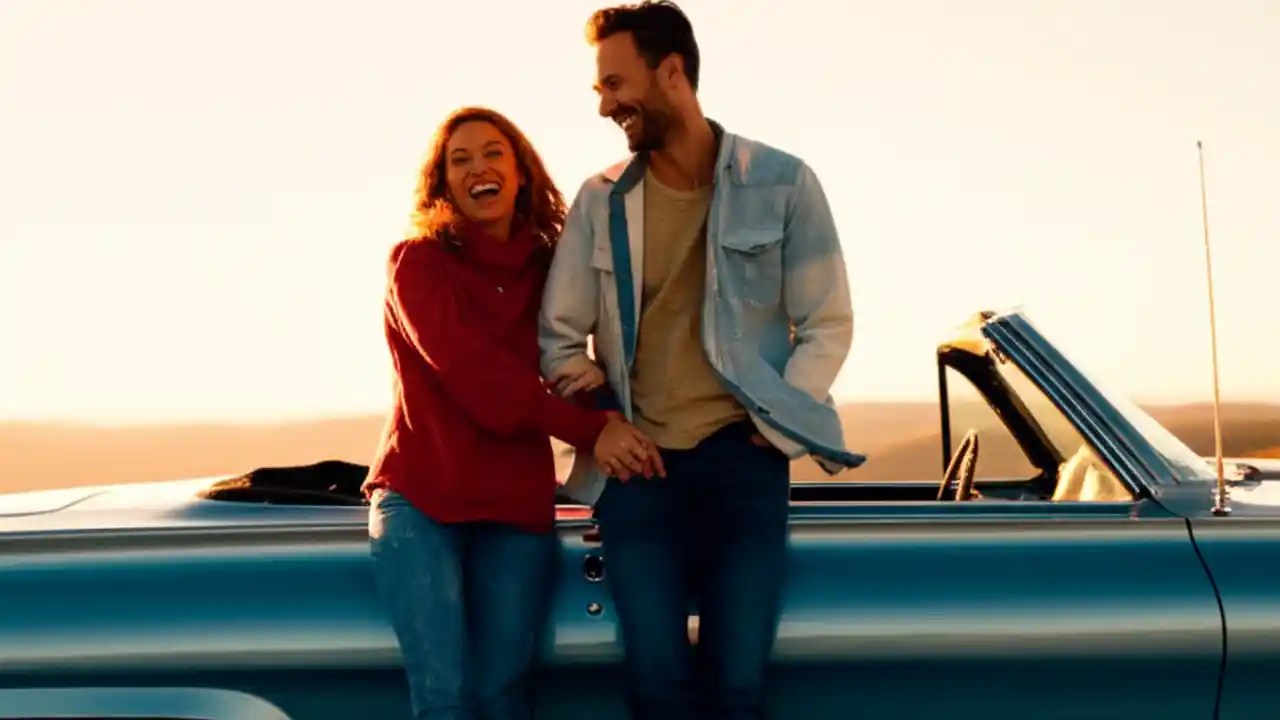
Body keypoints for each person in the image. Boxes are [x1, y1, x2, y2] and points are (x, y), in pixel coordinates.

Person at [538, 3, 865, 719]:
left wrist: (775, 422)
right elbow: (558, 340)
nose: (604, 105)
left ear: (673, 73)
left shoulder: (784, 183)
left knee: (739, 686)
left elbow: (827, 321)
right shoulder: (600, 201)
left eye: (615, 83)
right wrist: (602, 425)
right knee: (657, 689)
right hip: (638, 474)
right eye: (599, 89)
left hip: (743, 463)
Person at [363, 106, 663, 720]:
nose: (479, 168)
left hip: (514, 504)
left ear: (520, 171)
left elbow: (574, 355)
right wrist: (591, 430)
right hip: (423, 499)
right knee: (442, 698)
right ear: (443, 183)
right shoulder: (416, 264)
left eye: (493, 153)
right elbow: (481, 383)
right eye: (461, 159)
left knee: (505, 696)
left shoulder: (548, 268)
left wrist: (605, 401)